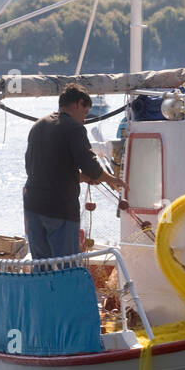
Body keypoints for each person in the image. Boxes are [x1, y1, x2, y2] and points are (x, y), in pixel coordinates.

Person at [23, 83, 124, 259]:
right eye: (85, 113)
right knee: (66, 266)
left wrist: (81, 177)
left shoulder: (38, 125)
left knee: (41, 265)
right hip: (60, 210)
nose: (84, 119)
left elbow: (36, 168)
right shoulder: (74, 128)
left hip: (33, 208)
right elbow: (92, 167)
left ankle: (43, 287)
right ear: (79, 103)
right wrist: (113, 180)